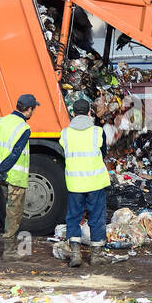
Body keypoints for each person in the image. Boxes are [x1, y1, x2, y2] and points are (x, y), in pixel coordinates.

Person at [0, 93, 38, 259]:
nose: (33, 112)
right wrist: (0, 170)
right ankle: (9, 250)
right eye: (33, 109)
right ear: (28, 110)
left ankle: (11, 245)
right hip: (15, 177)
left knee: (10, 211)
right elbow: (15, 154)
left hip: (2, 176)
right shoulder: (24, 128)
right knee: (14, 212)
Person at [59, 98, 110, 268]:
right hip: (95, 183)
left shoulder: (65, 133)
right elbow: (103, 153)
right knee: (96, 217)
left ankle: (75, 254)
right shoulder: (97, 132)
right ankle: (95, 256)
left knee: (73, 217)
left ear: (73, 113)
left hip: (74, 183)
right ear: (89, 113)